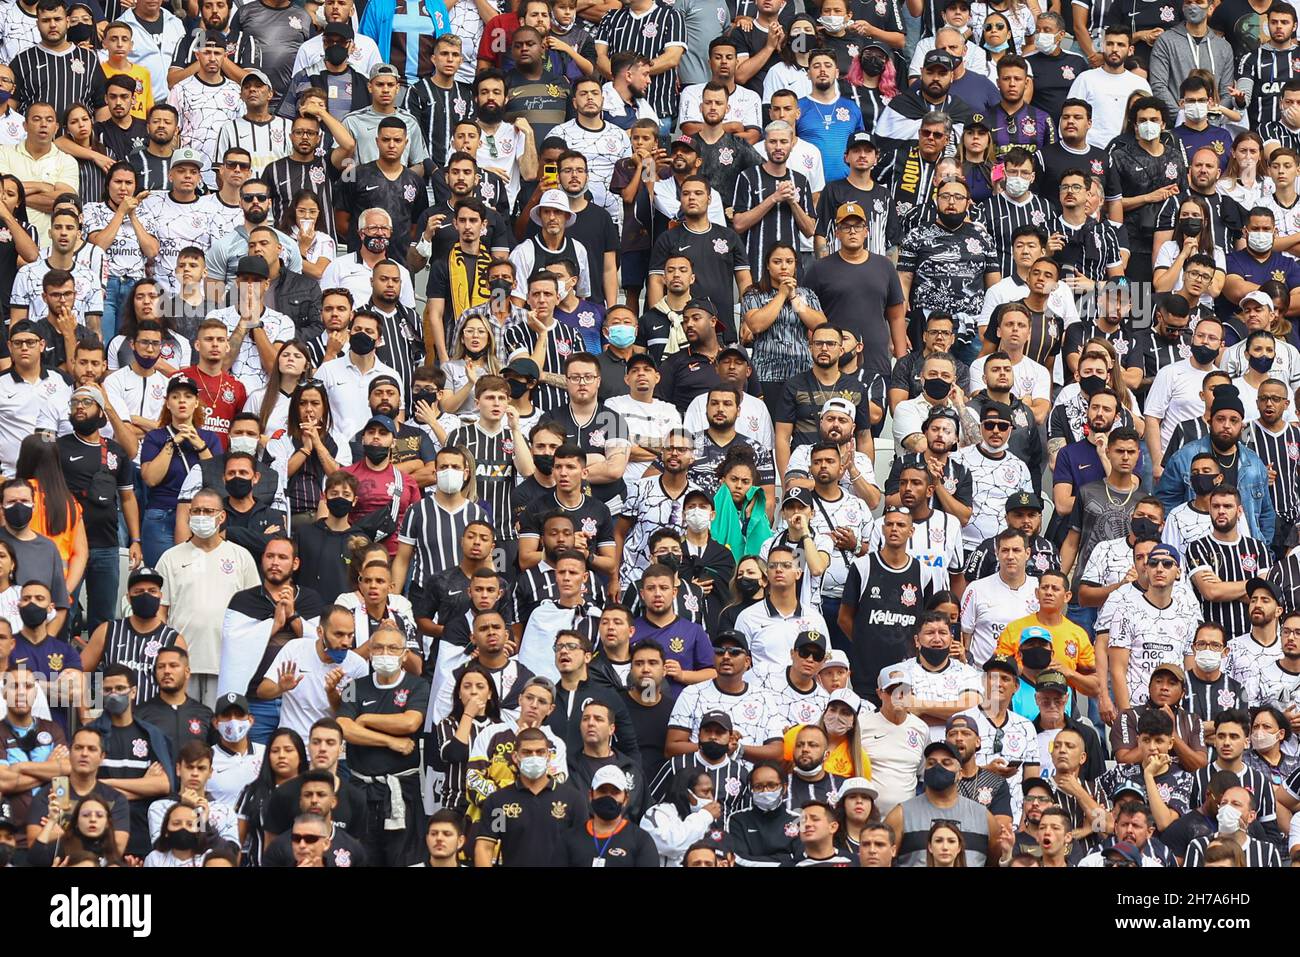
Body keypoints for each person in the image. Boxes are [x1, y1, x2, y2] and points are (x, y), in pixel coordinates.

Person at [335, 623, 428, 866]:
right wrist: (390, 741)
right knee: (362, 858)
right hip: (361, 791)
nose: (385, 653)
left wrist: (365, 719)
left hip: (402, 792)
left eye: (392, 647)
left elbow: (409, 723)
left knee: (405, 860)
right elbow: (344, 727)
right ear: (370, 651)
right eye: (378, 647)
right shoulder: (354, 687)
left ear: (405, 654)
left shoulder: (418, 685)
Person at [474, 725, 586, 867]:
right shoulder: (499, 802)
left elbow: (583, 849)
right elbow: (485, 847)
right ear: (515, 757)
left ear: (549, 756)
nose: (534, 757)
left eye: (540, 752)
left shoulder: (573, 800)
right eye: (527, 752)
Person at [886, 738, 1000, 867]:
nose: (937, 767)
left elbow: (997, 861)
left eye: (946, 763)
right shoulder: (901, 814)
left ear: (960, 774)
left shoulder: (983, 817)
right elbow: (882, 859)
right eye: (931, 763)